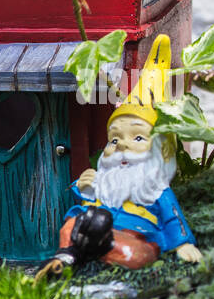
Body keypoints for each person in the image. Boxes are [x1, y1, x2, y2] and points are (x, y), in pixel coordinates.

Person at [37, 35, 201, 278]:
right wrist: (82, 184)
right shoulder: (105, 180)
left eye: (137, 138)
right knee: (70, 226)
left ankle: (87, 252)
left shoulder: (155, 189)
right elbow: (85, 191)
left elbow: (172, 217)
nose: (122, 146)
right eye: (115, 140)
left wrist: (182, 244)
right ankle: (67, 255)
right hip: (88, 223)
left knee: (136, 255)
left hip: (131, 234)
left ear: (160, 151)